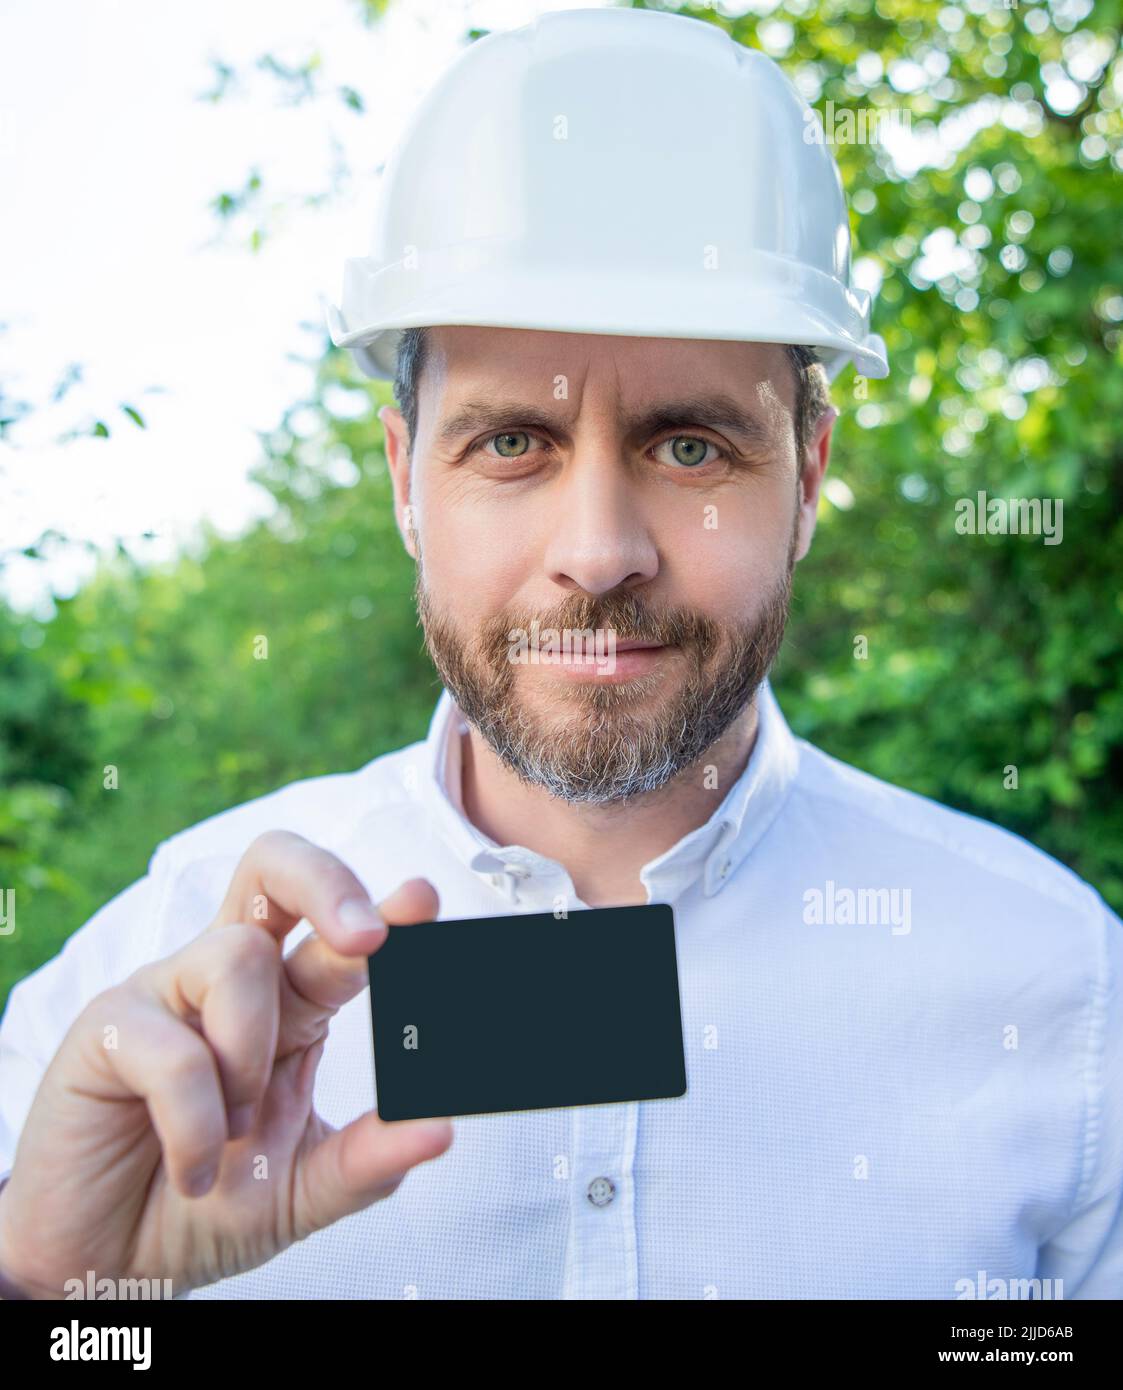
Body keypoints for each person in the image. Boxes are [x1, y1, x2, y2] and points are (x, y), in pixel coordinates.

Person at [1, 7, 1120, 1301]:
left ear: (808, 477)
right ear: (404, 481)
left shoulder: (1061, 990)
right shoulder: (148, 977)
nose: (600, 551)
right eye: (513, 443)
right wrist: (55, 1297)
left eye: (691, 444)